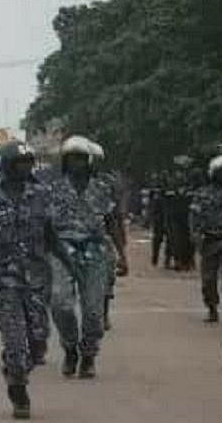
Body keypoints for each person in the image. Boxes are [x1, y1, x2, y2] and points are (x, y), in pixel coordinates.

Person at [0, 141, 65, 420]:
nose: (25, 168)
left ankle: (18, 368)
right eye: (19, 163)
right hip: (4, 280)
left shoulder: (41, 195)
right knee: (14, 340)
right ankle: (18, 388)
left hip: (37, 279)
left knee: (38, 342)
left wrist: (72, 266)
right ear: (7, 166)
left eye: (28, 162)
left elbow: (51, 236)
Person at [46, 137, 118, 379]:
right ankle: (70, 348)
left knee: (94, 312)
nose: (77, 163)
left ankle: (88, 355)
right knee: (60, 303)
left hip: (95, 251)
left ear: (89, 161)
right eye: (72, 158)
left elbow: (113, 222)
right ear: (65, 161)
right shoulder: (53, 189)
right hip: (61, 250)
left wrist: (122, 253)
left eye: (81, 158)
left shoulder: (102, 189)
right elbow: (43, 224)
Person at [189, 155, 222, 323]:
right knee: (208, 279)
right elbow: (194, 217)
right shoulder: (202, 194)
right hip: (209, 241)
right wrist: (196, 235)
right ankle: (212, 308)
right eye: (221, 173)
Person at [87, 140, 128, 332]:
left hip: (101, 237)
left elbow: (115, 216)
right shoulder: (64, 186)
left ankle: (104, 313)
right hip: (73, 240)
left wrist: (122, 251)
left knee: (107, 276)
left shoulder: (107, 183)